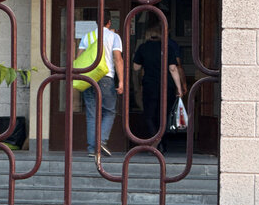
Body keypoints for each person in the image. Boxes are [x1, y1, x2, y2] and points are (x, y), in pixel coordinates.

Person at [132, 17, 185, 153]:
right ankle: (162, 142)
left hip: (150, 85)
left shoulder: (143, 48)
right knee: (165, 115)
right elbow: (173, 68)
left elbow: (136, 68)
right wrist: (179, 88)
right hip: (167, 86)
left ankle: (156, 140)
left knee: (149, 115)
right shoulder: (168, 48)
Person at [78, 11, 124, 156]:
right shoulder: (114, 37)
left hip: (89, 78)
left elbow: (79, 58)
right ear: (109, 22)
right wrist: (121, 81)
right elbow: (118, 59)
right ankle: (101, 142)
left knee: (92, 114)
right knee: (109, 112)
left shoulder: (87, 36)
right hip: (106, 78)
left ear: (96, 23)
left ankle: (92, 149)